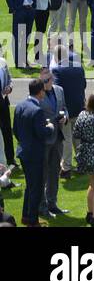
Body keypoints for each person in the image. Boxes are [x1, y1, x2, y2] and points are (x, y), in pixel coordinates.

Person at [13, 78, 56, 226]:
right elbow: (42, 133)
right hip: (34, 155)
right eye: (44, 90)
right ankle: (32, 220)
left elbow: (16, 130)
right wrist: (50, 127)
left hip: (23, 152)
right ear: (40, 92)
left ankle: (26, 216)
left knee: (30, 186)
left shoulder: (20, 105)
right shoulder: (37, 110)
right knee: (36, 188)